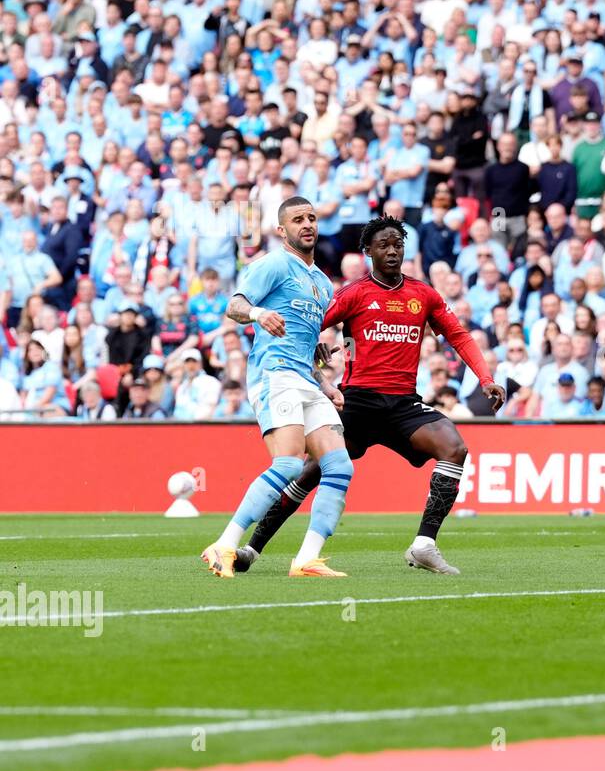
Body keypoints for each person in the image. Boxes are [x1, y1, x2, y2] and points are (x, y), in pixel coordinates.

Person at [241, 215, 505, 575]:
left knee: (455, 448)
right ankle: (252, 548)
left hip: (403, 404)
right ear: (368, 252)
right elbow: (308, 324)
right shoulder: (355, 293)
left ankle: (424, 545)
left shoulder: (423, 294)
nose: (393, 251)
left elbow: (458, 334)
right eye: (384, 245)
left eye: (398, 244)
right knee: (310, 472)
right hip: (357, 401)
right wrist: (314, 348)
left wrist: (485, 377)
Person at [200, 196, 351, 579]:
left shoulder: (321, 282)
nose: (307, 224)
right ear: (283, 230)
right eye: (298, 219)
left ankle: (306, 559)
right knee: (287, 464)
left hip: (304, 378)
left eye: (312, 218)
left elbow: (305, 344)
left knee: (339, 466)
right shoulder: (272, 263)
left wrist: (324, 379)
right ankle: (224, 544)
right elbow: (234, 306)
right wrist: (258, 313)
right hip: (274, 375)